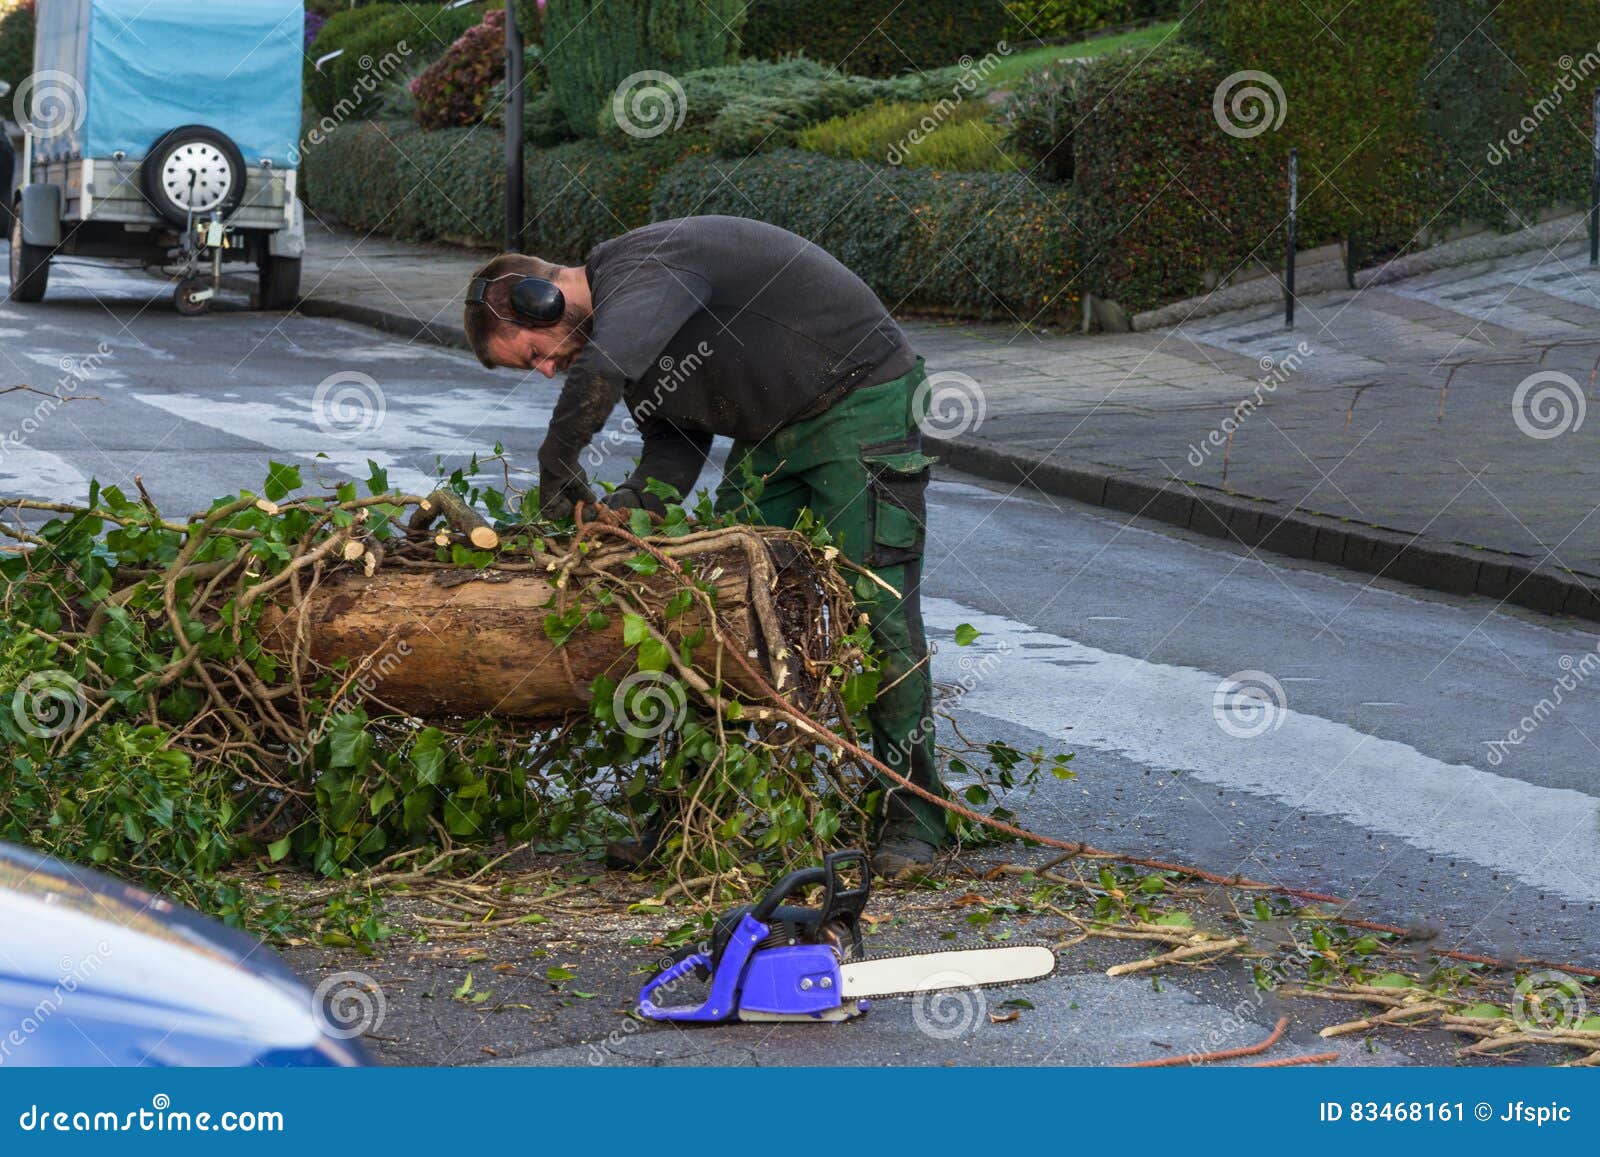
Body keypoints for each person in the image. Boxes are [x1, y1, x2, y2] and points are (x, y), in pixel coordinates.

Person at [462, 215, 946, 877]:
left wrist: (557, 459)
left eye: (535, 351)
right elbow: (674, 445)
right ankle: (693, 809)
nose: (547, 369)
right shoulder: (623, 333)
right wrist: (624, 510)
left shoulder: (641, 267)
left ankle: (916, 817)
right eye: (535, 367)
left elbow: (602, 369)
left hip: (859, 398)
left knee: (879, 606)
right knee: (717, 607)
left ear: (538, 300)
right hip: (772, 432)